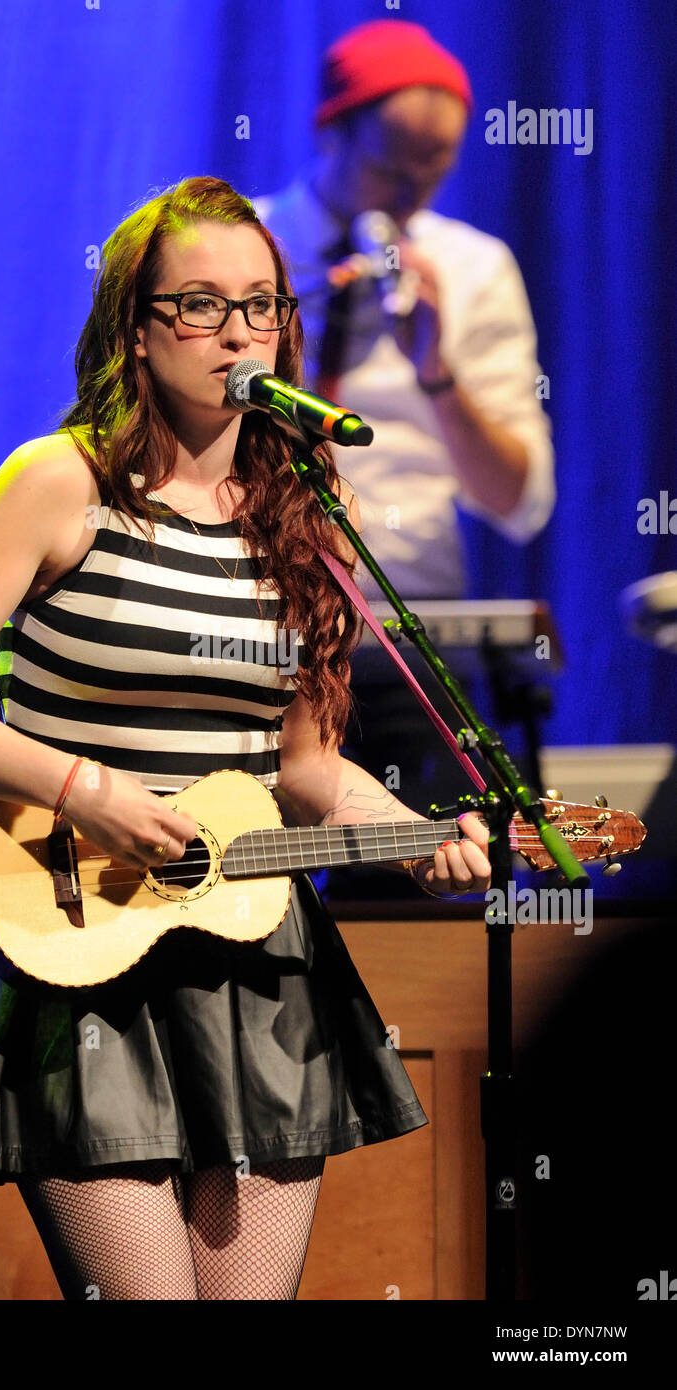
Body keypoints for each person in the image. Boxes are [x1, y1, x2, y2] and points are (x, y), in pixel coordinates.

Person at [0, 175, 491, 1302]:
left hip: (260, 967)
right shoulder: (59, 482)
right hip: (79, 942)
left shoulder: (303, 506)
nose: (237, 332)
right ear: (135, 332)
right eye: (200, 306)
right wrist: (84, 787)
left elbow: (303, 767)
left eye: (260, 306)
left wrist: (417, 834)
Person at [253, 20, 556, 868]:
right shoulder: (246, 250)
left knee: (421, 889)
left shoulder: (475, 267)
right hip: (254, 628)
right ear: (329, 130)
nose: (413, 190)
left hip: (403, 639)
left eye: (438, 167)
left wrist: (436, 369)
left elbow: (519, 502)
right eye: (392, 165)